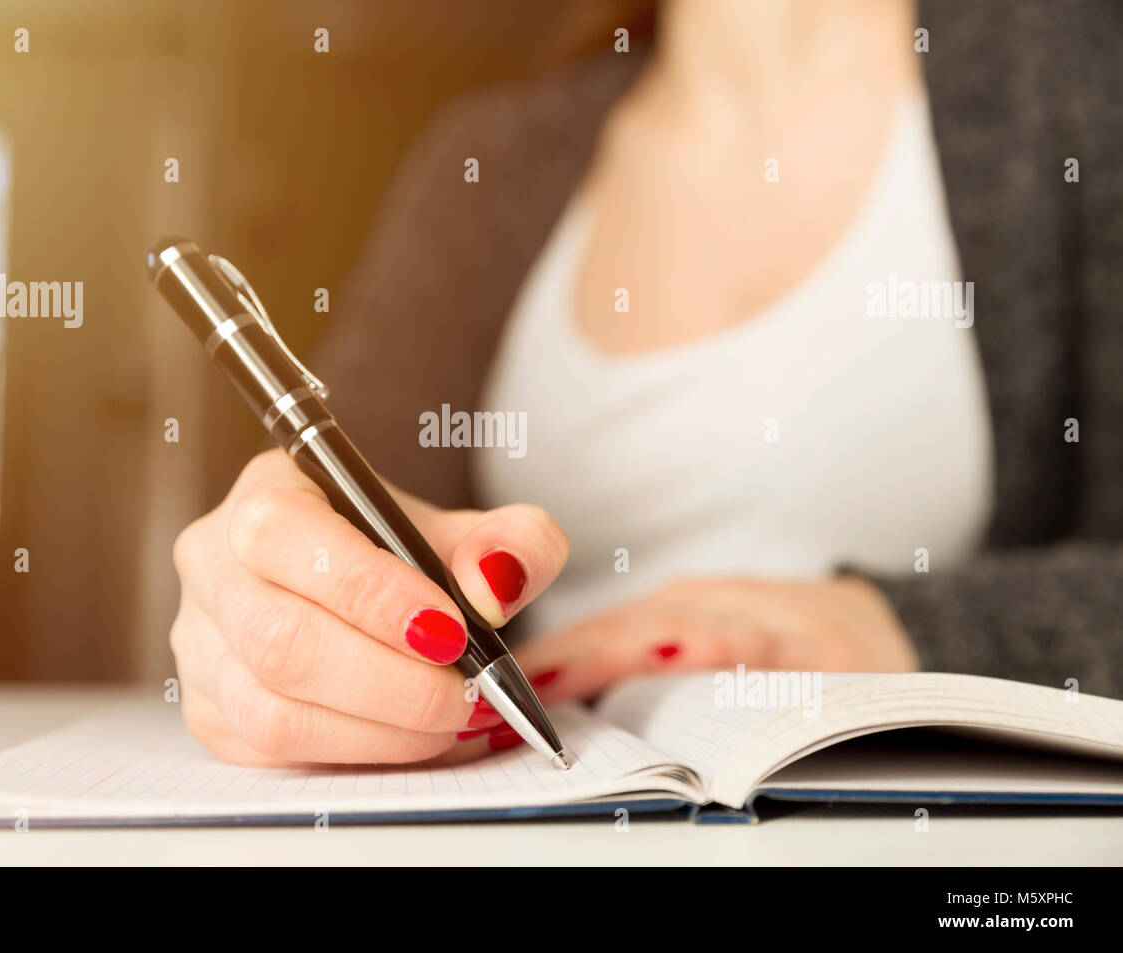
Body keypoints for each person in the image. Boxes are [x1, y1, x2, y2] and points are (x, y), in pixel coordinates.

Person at [169, 0, 1123, 766]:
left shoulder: (1075, 76)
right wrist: (274, 608)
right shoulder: (489, 164)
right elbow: (335, 517)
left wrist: (905, 628)